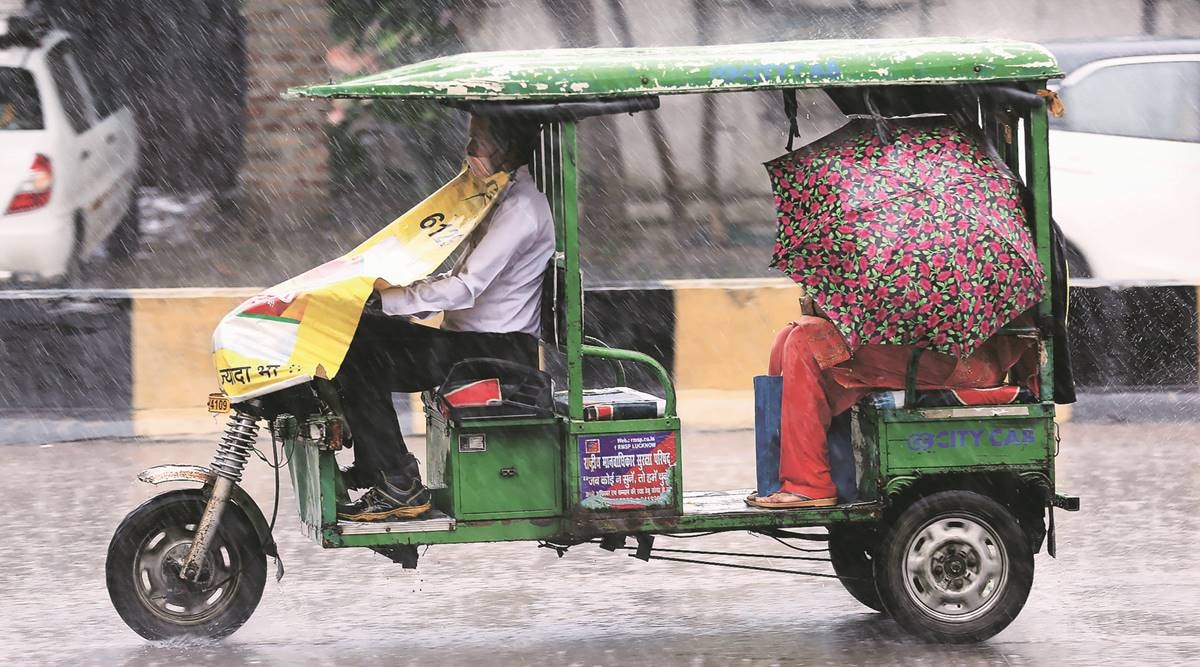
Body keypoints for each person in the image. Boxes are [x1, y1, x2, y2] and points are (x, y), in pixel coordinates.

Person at [334, 113, 555, 522]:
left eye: (478, 142)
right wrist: (384, 294)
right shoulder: (497, 195)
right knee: (355, 335)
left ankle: (397, 481)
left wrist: (387, 301)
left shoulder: (522, 209)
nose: (468, 152)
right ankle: (377, 465)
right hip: (468, 343)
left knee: (362, 359)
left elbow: (465, 287)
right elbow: (452, 279)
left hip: (494, 354)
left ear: (507, 147)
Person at [747, 306, 1036, 509]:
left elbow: (917, 311)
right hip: (942, 347)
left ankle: (810, 485)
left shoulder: (946, 237)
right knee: (788, 337)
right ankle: (779, 479)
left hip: (963, 357)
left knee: (803, 342)